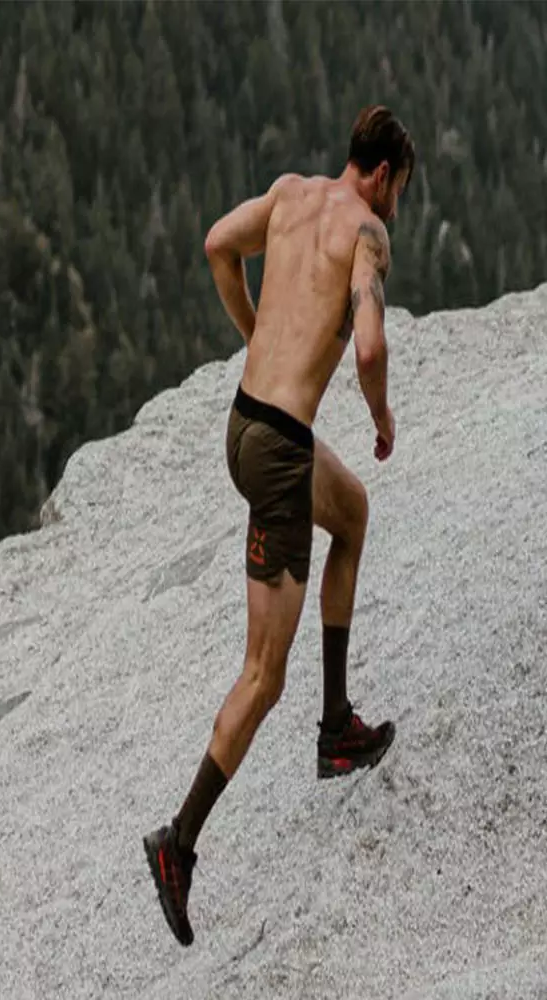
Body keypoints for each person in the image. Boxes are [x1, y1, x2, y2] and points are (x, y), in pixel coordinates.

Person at [143, 105, 415, 947]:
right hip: (278, 458)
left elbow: (217, 245)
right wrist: (380, 416)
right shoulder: (367, 234)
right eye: (399, 189)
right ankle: (178, 844)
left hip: (248, 426)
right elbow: (368, 349)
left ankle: (338, 728)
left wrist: (255, 330)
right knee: (263, 676)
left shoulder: (292, 194)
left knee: (355, 514)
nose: (396, 204)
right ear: (382, 175)